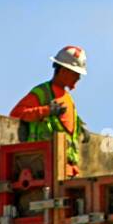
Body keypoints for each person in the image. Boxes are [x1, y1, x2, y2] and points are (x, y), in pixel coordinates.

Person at [10, 45, 88, 176]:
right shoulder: (42, 93)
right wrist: (46, 111)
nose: (78, 78)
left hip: (67, 168)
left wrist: (80, 126)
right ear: (63, 70)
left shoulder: (67, 98)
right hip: (44, 165)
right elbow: (16, 114)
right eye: (76, 73)